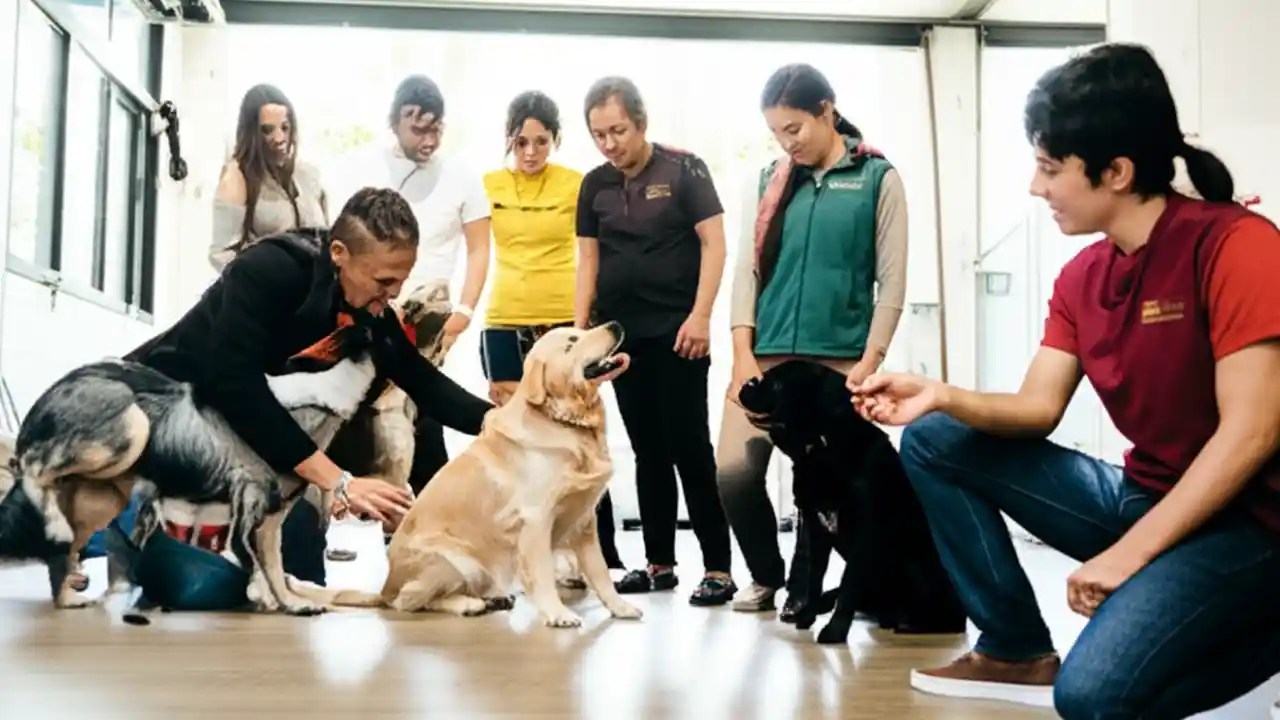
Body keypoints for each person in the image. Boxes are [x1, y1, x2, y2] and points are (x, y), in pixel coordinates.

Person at [851, 43, 1280, 717]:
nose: (1035, 186)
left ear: (1116, 171)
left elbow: (1252, 433)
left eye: (1050, 168)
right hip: (1145, 498)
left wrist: (1126, 558)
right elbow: (1037, 407)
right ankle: (1014, 648)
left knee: (1090, 697)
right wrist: (939, 395)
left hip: (1250, 528)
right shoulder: (1084, 277)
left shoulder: (1236, 245)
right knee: (933, 437)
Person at [718, 63, 908, 615]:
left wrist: (869, 361)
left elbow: (892, 281)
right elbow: (747, 273)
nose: (787, 142)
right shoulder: (771, 182)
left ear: (827, 110)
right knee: (733, 472)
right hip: (769, 357)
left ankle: (847, 586)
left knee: (837, 484)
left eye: (794, 128)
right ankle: (766, 575)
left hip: (839, 364)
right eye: (776, 132)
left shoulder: (876, 178)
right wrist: (742, 354)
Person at [575, 76, 736, 605]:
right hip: (623, 338)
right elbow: (588, 260)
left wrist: (701, 317)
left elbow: (715, 245)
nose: (609, 143)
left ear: (641, 123)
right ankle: (658, 563)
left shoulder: (685, 169)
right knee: (647, 450)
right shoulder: (594, 185)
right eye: (599, 134)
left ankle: (718, 568)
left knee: (690, 447)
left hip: (679, 333)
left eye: (618, 131)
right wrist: (580, 334)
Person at [480, 91, 624, 570]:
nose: (530, 152)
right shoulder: (489, 185)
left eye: (541, 141)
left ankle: (603, 552)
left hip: (564, 324)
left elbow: (592, 253)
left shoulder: (575, 184)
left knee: (579, 435)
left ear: (555, 140)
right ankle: (525, 553)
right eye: (521, 142)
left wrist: (584, 326)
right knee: (518, 441)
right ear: (508, 139)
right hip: (504, 320)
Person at [332, 74, 492, 496]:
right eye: (418, 128)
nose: (428, 138)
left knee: (421, 407)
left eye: (436, 128)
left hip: (426, 318)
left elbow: (479, 248)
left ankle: (429, 507)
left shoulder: (460, 175)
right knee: (374, 413)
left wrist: (464, 311)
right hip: (368, 314)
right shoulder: (364, 168)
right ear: (395, 122)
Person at [210, 84, 329, 271]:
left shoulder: (307, 175)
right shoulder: (237, 178)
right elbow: (222, 256)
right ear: (251, 133)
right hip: (267, 285)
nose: (279, 138)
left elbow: (328, 237)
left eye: (285, 128)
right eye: (267, 130)